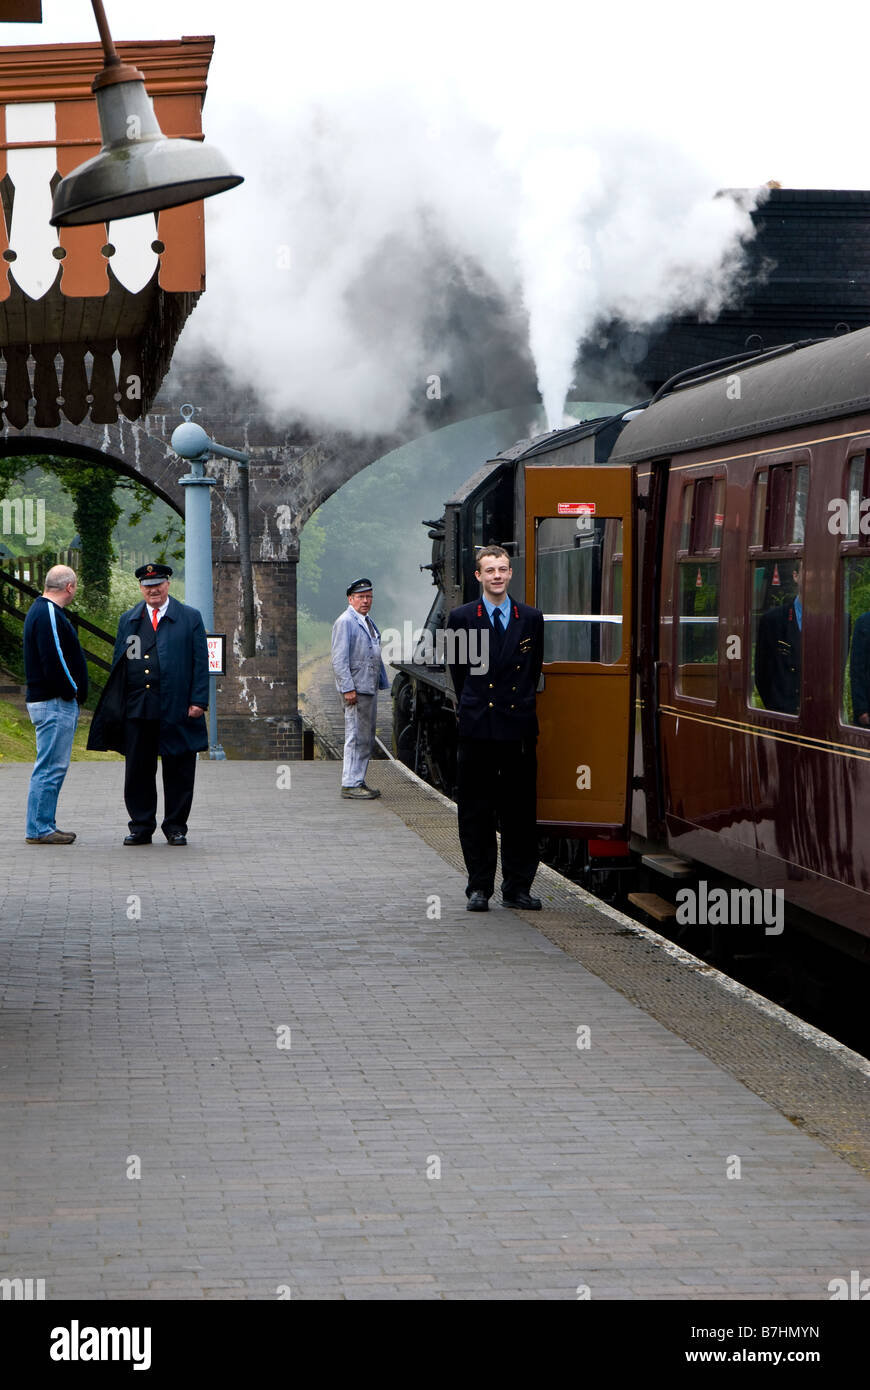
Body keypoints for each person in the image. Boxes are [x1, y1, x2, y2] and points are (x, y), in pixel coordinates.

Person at [446, 545, 544, 911]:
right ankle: (479, 887)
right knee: (476, 810)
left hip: (517, 726)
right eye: (490, 570)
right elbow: (459, 673)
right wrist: (473, 705)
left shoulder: (531, 618)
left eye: (502, 569)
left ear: (510, 573)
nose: (497, 576)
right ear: (478, 576)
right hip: (477, 727)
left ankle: (517, 887)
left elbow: (532, 671)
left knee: (520, 811)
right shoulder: (461, 617)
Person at [87, 562, 209, 845]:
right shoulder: (129, 620)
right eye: (147, 586)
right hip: (139, 707)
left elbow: (200, 663)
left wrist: (198, 700)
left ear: (167, 584)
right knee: (138, 769)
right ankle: (141, 826)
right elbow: (123, 663)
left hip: (178, 705)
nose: (153, 590)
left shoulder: (189, 617)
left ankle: (176, 827)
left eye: (157, 585)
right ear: (141, 588)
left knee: (179, 769)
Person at [23, 564, 88, 844]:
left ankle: (44, 823)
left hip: (51, 701)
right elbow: (54, 657)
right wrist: (72, 690)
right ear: (70, 587)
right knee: (50, 766)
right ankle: (39, 828)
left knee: (51, 765)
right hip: (53, 702)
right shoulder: (48, 612)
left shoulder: (42, 610)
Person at [331, 578, 389, 800]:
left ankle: (357, 779)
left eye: (369, 597)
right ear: (350, 599)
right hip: (356, 689)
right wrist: (347, 688)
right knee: (356, 736)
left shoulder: (366, 621)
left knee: (365, 736)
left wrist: (381, 682)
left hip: (367, 687)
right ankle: (350, 783)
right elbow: (339, 659)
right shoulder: (345, 622)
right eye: (361, 597)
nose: (366, 601)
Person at [755, 562, 802, 714]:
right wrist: (776, 707)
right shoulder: (772, 620)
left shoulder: (839, 621)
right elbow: (762, 672)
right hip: (783, 716)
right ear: (796, 576)